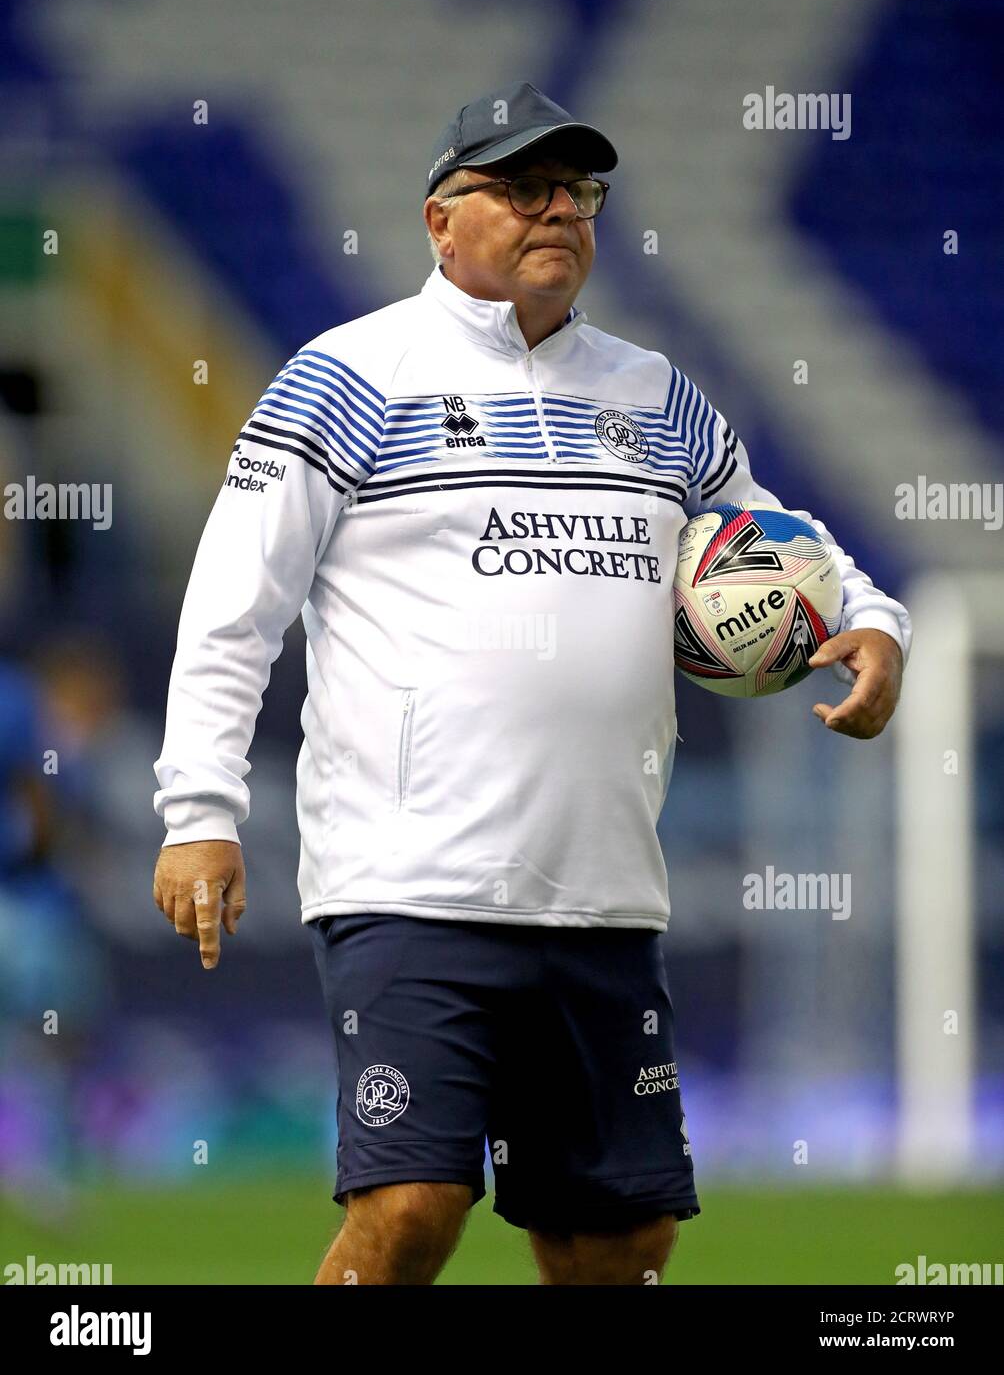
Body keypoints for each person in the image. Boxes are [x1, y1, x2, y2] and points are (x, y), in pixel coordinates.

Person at [153, 81, 911, 1285]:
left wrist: (871, 622)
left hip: (603, 893)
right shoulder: (346, 375)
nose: (556, 208)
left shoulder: (657, 396)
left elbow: (776, 541)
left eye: (577, 189)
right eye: (519, 187)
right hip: (411, 882)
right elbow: (231, 606)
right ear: (438, 220)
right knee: (410, 1205)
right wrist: (199, 814)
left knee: (619, 1240)